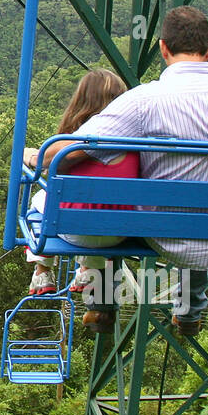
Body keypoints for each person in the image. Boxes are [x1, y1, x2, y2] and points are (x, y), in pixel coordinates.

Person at [24, 6, 208, 336]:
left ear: (163, 48)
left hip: (160, 233)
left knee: (112, 211)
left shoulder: (145, 100)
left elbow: (76, 149)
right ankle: (189, 311)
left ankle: (102, 304)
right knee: (196, 219)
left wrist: (36, 156)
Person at [24, 69, 140, 296]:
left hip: (75, 230)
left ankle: (42, 269)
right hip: (119, 233)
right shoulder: (136, 142)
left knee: (42, 199)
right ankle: (88, 269)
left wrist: (29, 156)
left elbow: (48, 168)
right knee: (101, 209)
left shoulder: (74, 144)